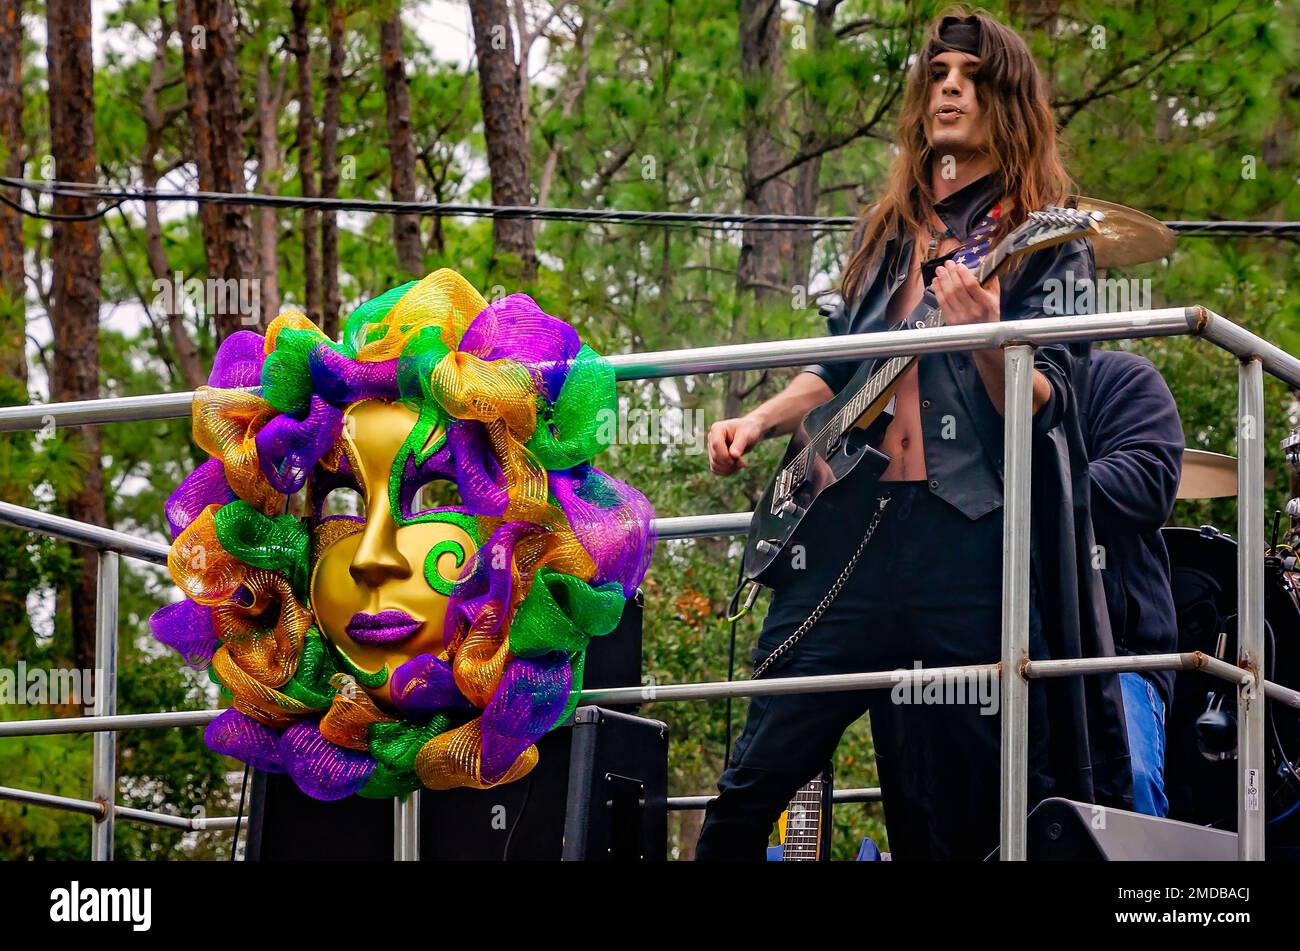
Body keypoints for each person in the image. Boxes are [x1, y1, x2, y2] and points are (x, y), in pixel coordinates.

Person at [696, 9, 1133, 861]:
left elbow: (1047, 404)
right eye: (937, 76)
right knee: (754, 775)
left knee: (985, 786)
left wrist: (985, 337)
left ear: (1006, 99)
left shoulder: (1046, 236)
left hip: (964, 546)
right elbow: (841, 366)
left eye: (970, 76)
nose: (949, 89)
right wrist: (756, 419)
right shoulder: (884, 231)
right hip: (847, 536)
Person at [1080, 348, 1184, 817]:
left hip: (1115, 659)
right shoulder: (947, 408)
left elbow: (1146, 481)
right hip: (986, 663)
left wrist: (1017, 485)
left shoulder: (1120, 377)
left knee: (1128, 785)